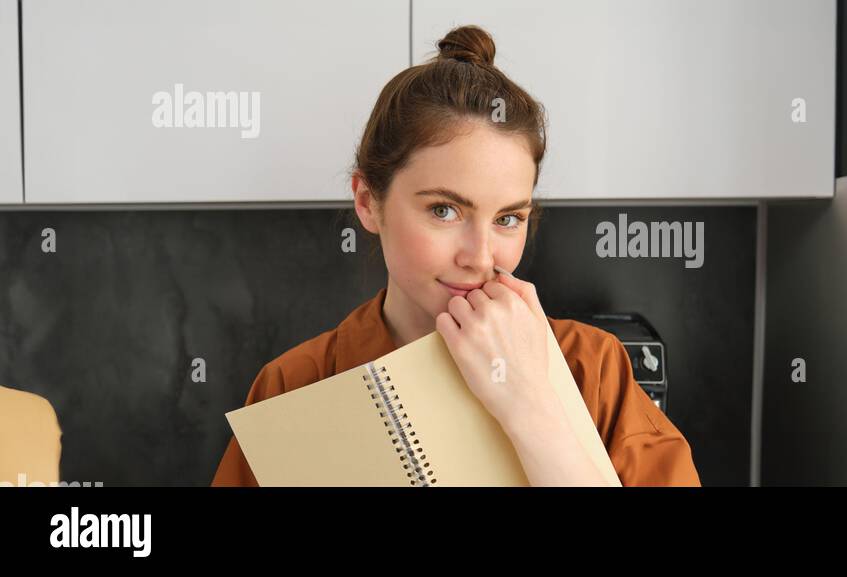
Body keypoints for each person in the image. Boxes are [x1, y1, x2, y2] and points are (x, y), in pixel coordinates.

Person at [212, 25, 700, 487]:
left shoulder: (592, 368)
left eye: (508, 218)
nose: (480, 256)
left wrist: (531, 407)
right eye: (444, 210)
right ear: (367, 201)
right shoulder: (295, 386)